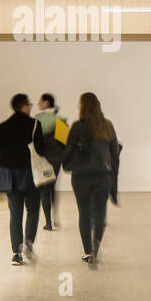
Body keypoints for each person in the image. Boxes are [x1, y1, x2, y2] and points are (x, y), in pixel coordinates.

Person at [61, 92, 121, 263]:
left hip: (81, 177)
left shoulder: (77, 126)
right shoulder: (107, 126)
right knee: (100, 215)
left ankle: (88, 252)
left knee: (84, 213)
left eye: (79, 104)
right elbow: (115, 155)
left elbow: (68, 150)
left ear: (83, 106)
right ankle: (96, 246)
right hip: (102, 176)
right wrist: (113, 179)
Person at [0, 93, 47, 264]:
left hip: (10, 176)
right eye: (29, 105)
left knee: (15, 215)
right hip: (30, 175)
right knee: (33, 211)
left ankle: (17, 253)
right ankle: (29, 245)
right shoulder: (34, 125)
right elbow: (41, 150)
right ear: (24, 106)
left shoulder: (2, 127)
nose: (30, 108)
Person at [34, 93, 66, 230]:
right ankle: (55, 216)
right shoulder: (61, 119)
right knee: (52, 188)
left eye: (40, 102)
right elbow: (64, 142)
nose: (38, 104)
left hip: (44, 159)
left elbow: (35, 140)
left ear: (46, 102)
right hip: (57, 158)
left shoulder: (38, 118)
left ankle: (48, 222)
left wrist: (40, 155)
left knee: (44, 190)